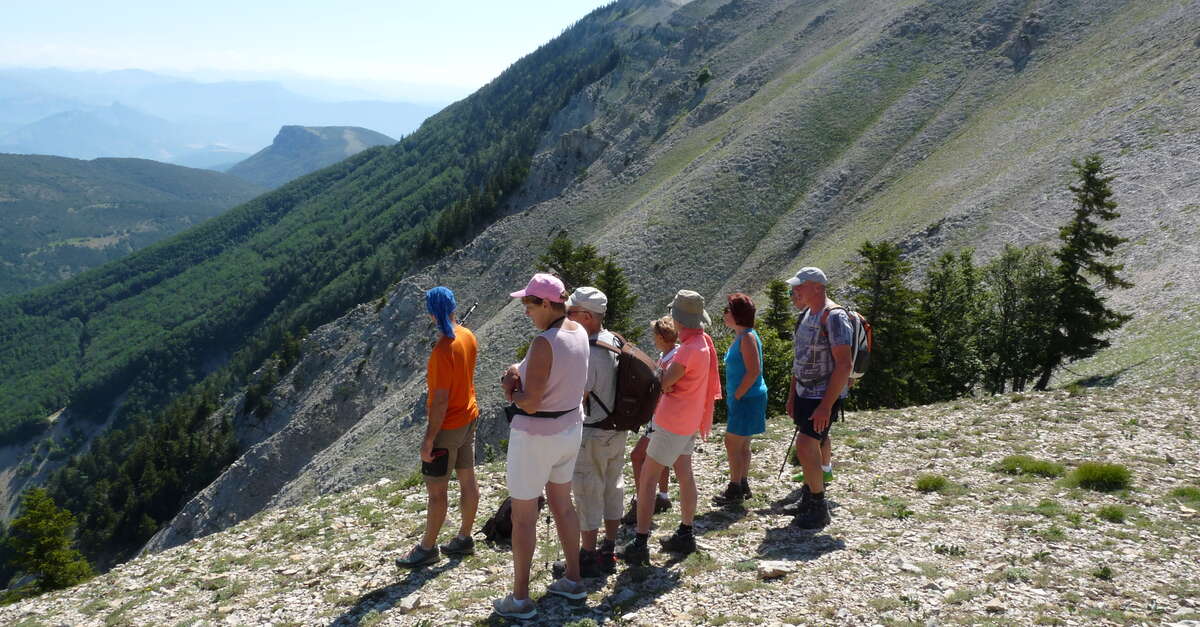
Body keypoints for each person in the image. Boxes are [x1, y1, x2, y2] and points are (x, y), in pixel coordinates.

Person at [493, 273, 589, 620]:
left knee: (523, 518)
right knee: (563, 505)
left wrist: (509, 389)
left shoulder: (543, 343)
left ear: (547, 304)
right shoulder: (578, 331)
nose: (526, 311)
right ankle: (574, 580)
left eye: (529, 305)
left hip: (536, 436)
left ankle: (519, 599)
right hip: (569, 429)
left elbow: (530, 402)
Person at [619, 290, 721, 564]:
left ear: (679, 319)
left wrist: (661, 376)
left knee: (648, 477)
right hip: (689, 420)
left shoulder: (687, 351)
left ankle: (640, 543)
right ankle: (686, 533)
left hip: (671, 421)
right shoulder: (703, 343)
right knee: (685, 475)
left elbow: (665, 382)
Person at [396, 286, 481, 567]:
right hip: (469, 418)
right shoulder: (468, 336)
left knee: (436, 492)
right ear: (455, 306)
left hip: (449, 426)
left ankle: (427, 548)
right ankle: (464, 538)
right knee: (468, 481)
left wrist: (428, 439)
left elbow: (440, 401)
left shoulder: (442, 350)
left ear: (431, 314)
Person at [786, 267, 853, 529]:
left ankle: (817, 505)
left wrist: (826, 405)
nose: (795, 291)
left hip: (822, 394)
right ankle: (809, 496)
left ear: (817, 287)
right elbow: (799, 357)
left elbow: (844, 364)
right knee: (812, 445)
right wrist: (792, 394)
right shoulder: (807, 314)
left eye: (800, 286)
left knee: (805, 445)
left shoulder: (834, 317)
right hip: (805, 391)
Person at [565, 286, 624, 576]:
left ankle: (587, 556)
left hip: (592, 433)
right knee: (613, 487)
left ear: (587, 316)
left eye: (571, 312)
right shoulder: (612, 340)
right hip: (616, 429)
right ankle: (608, 549)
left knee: (588, 492)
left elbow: (579, 395)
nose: (567, 316)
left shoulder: (587, 351)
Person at [714, 292, 768, 505]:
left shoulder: (746, 337)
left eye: (727, 310)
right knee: (743, 443)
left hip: (746, 397)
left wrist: (737, 393)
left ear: (737, 314)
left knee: (732, 442)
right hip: (749, 396)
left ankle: (734, 487)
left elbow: (754, 370)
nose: (725, 314)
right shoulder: (745, 334)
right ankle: (742, 483)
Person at [621, 317, 675, 524]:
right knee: (661, 458)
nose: (653, 339)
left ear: (661, 337)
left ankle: (643, 500)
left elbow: (666, 386)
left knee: (637, 456)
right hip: (663, 416)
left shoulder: (670, 357)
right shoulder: (670, 354)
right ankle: (662, 496)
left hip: (661, 417)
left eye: (654, 335)